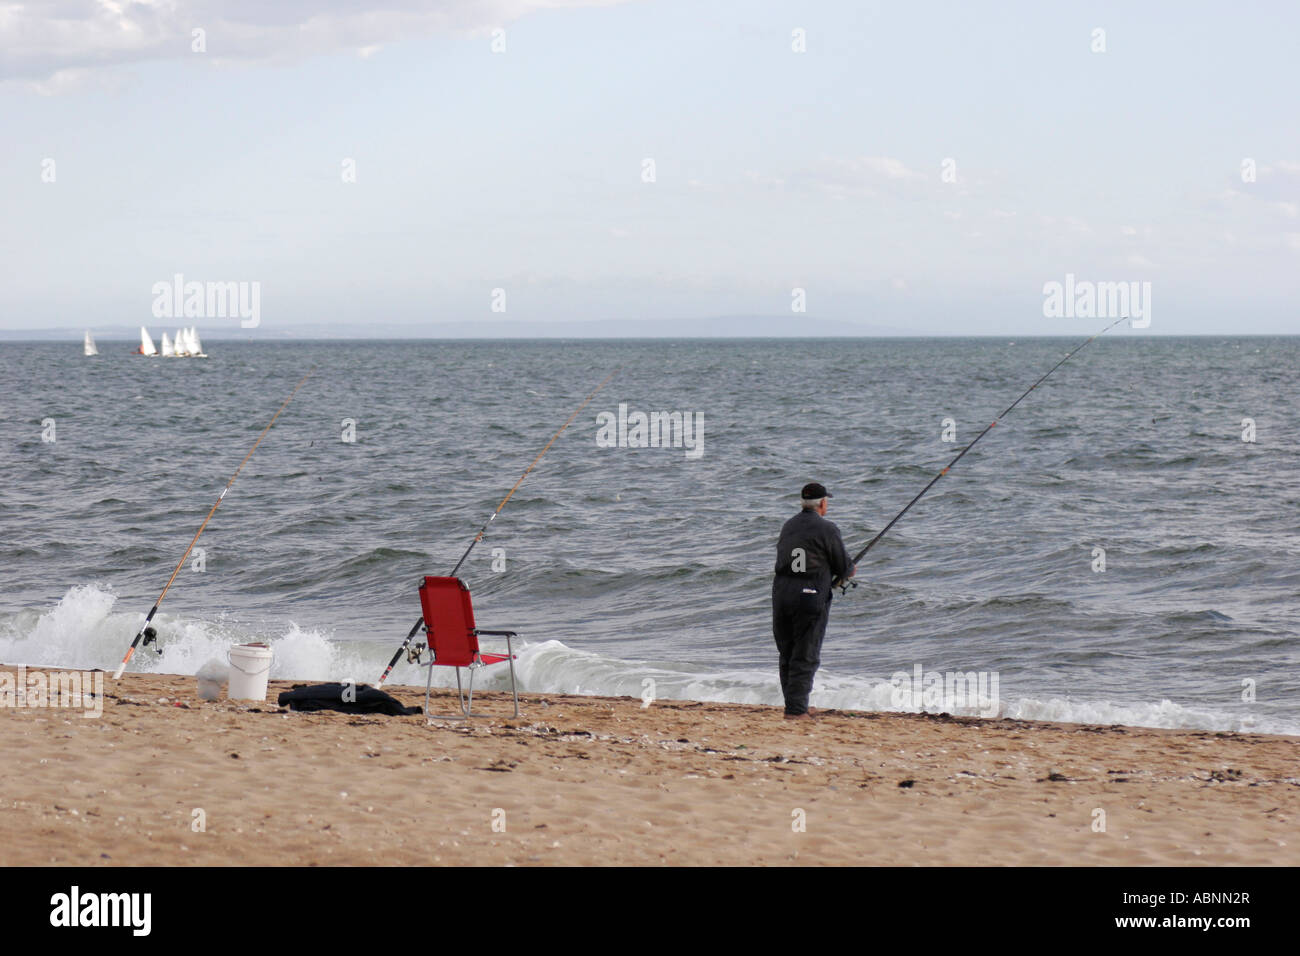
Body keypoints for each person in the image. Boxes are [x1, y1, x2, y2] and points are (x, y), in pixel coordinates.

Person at [771, 482, 855, 719]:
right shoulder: (827, 528)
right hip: (810, 596)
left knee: (787, 652)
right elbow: (844, 566)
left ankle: (795, 704)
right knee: (805, 653)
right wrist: (850, 569)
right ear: (822, 504)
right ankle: (796, 711)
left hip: (782, 594)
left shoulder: (789, 526)